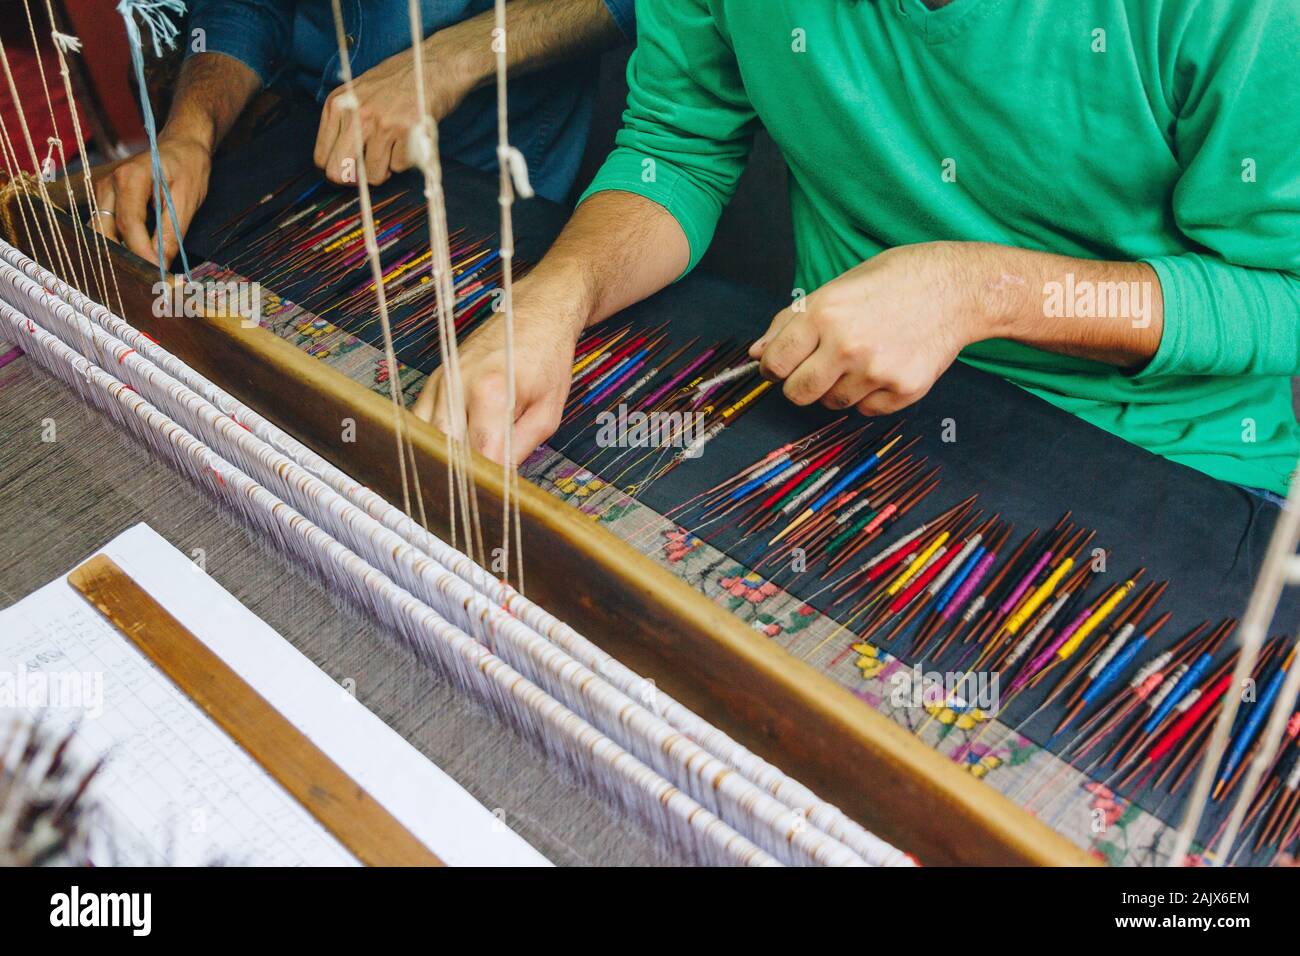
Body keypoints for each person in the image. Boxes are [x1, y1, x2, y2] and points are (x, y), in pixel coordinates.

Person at [416, 0, 1300, 498]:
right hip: (835, 407)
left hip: (1167, 465)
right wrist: (549, 301)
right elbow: (675, 152)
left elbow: (1284, 293)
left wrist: (985, 293)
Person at [90, 0, 635, 267]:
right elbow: (244, 6)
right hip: (298, 142)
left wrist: (449, 59)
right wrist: (190, 130)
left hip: (480, 161)